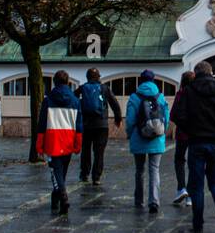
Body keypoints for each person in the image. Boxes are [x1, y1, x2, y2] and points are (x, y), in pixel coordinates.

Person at [174, 59, 215, 233]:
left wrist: (190, 130)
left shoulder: (189, 91)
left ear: (197, 73)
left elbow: (178, 115)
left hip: (196, 143)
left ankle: (198, 228)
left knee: (197, 186)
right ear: (211, 72)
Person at [36, 70, 82, 214]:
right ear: (67, 82)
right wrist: (78, 142)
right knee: (62, 171)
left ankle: (63, 197)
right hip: (68, 138)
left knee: (56, 171)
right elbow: (79, 124)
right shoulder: (75, 101)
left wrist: (39, 142)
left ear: (54, 82)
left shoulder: (48, 99)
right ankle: (56, 197)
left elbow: (42, 122)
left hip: (53, 138)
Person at [125, 69, 169, 214]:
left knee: (139, 171)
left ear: (141, 80)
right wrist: (161, 133)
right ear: (153, 80)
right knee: (154, 170)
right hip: (157, 139)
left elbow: (130, 120)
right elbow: (166, 120)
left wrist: (130, 134)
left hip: (139, 138)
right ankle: (154, 202)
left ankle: (139, 201)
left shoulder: (134, 97)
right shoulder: (160, 97)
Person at [76, 68, 122, 185]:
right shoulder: (104, 88)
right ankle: (96, 177)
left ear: (87, 77)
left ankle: (84, 174)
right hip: (101, 125)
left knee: (86, 150)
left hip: (86, 125)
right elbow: (114, 104)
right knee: (99, 152)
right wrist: (118, 119)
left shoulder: (82, 88)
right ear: (98, 77)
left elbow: (72, 99)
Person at [169, 70, 195, 207]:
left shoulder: (181, 94)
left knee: (179, 160)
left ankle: (181, 188)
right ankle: (190, 195)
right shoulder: (198, 95)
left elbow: (172, 115)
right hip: (195, 134)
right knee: (193, 163)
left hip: (182, 134)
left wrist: (181, 124)